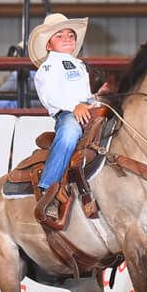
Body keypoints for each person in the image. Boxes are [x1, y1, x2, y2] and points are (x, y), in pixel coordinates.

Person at [29, 13, 97, 213]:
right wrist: (74, 106)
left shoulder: (78, 64)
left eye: (70, 35)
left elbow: (84, 94)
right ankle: (48, 186)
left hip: (86, 110)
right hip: (67, 114)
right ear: (48, 45)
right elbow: (49, 95)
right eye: (59, 36)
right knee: (69, 133)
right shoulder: (48, 67)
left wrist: (95, 99)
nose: (67, 38)